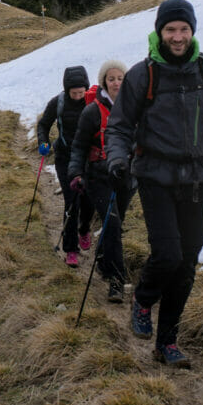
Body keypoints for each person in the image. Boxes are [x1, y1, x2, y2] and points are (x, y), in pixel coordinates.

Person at [105, 0, 203, 368]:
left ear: (192, 31)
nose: (177, 36)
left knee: (187, 264)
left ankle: (167, 342)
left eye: (184, 29)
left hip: (198, 178)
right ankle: (143, 299)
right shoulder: (143, 75)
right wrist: (118, 159)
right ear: (160, 32)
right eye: (171, 29)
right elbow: (119, 126)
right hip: (155, 175)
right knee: (168, 254)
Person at [67, 60, 133, 303]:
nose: (116, 83)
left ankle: (104, 260)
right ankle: (117, 281)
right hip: (99, 177)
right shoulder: (92, 112)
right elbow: (79, 146)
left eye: (120, 78)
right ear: (104, 81)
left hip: (127, 177)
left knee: (116, 222)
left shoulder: (135, 107)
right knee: (112, 224)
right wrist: (76, 173)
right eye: (111, 78)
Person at [36, 66, 94, 267]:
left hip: (88, 159)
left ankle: (84, 229)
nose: (78, 96)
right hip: (65, 158)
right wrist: (43, 142)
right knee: (72, 202)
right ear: (67, 89)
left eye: (81, 92)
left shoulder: (93, 101)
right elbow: (43, 124)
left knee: (89, 201)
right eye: (74, 93)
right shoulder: (58, 102)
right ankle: (70, 249)